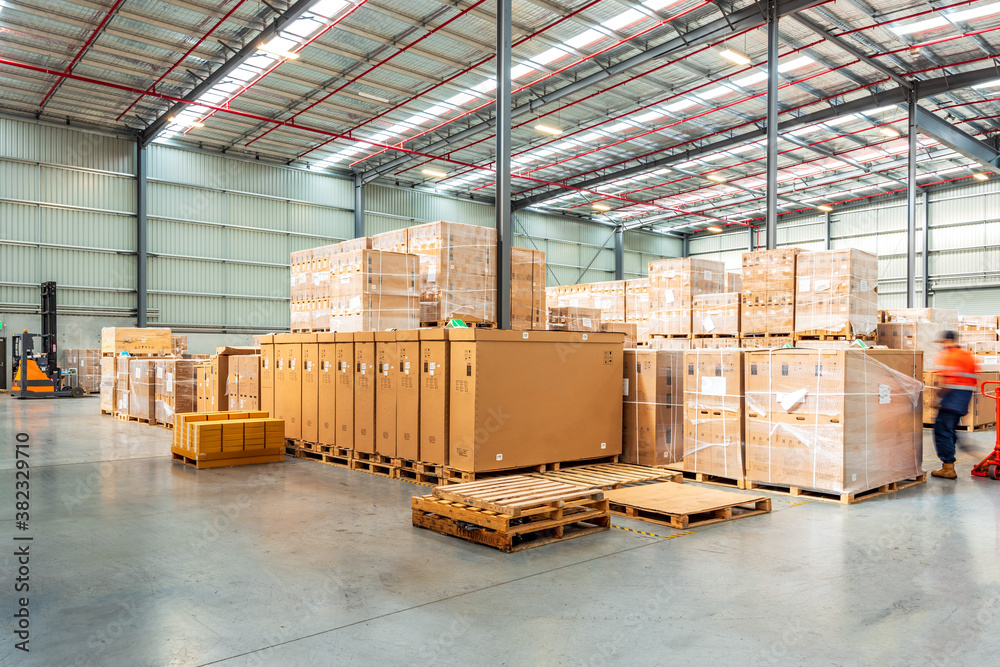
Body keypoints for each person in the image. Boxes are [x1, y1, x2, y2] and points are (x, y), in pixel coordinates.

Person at [929, 331, 979, 479]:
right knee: (950, 430)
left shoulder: (951, 355)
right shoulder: (968, 355)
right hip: (964, 398)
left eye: (943, 342)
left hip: (952, 397)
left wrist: (938, 398)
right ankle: (949, 463)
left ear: (947, 340)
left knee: (942, 431)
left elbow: (948, 380)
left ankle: (948, 468)